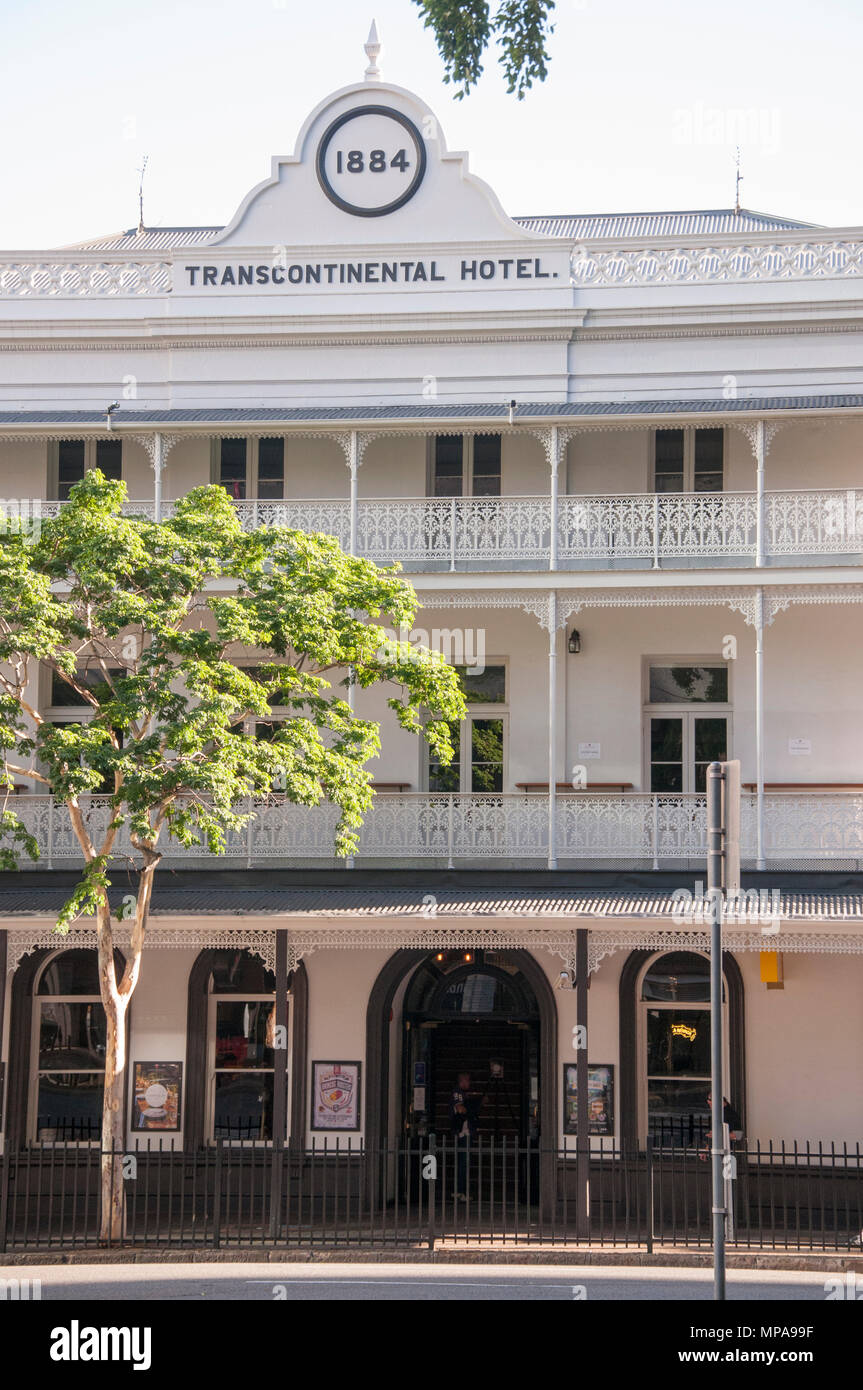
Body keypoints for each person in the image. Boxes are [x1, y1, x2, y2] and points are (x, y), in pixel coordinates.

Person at [449, 1071, 483, 1200]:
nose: (468, 1083)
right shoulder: (458, 1093)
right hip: (463, 1132)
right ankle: (460, 1191)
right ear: (461, 1081)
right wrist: (471, 1107)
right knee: (463, 1162)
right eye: (467, 1080)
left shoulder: (462, 1094)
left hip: (463, 1131)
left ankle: (459, 1190)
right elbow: (460, 1109)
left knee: (462, 1161)